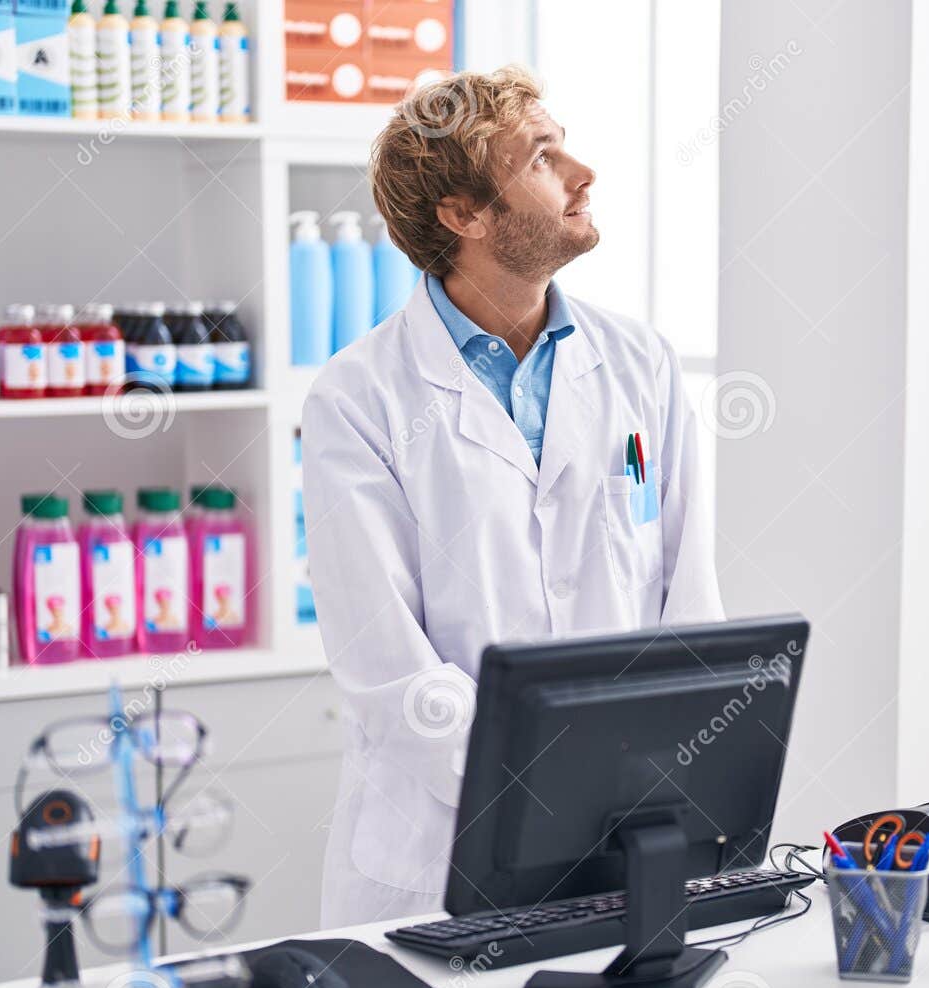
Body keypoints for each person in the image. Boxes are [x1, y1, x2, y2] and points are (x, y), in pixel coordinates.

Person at [301, 65, 724, 926]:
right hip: (445, 853)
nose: (582, 173)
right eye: (542, 157)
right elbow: (390, 668)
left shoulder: (641, 364)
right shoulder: (357, 400)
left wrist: (673, 780)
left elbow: (690, 602)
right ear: (463, 215)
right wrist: (556, 792)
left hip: (631, 839)